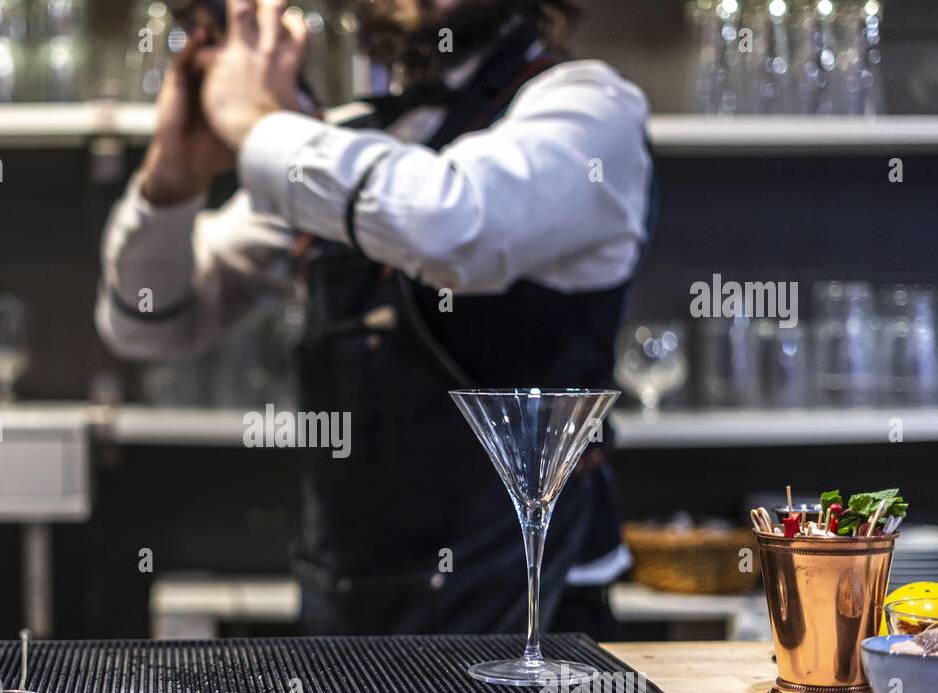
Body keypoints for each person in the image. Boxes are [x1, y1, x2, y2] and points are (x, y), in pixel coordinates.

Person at [97, 0, 653, 638]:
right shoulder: (350, 142)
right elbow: (149, 323)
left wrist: (255, 124)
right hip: (350, 610)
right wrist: (170, 185)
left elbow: (455, 225)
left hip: (530, 613)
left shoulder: (588, 109)